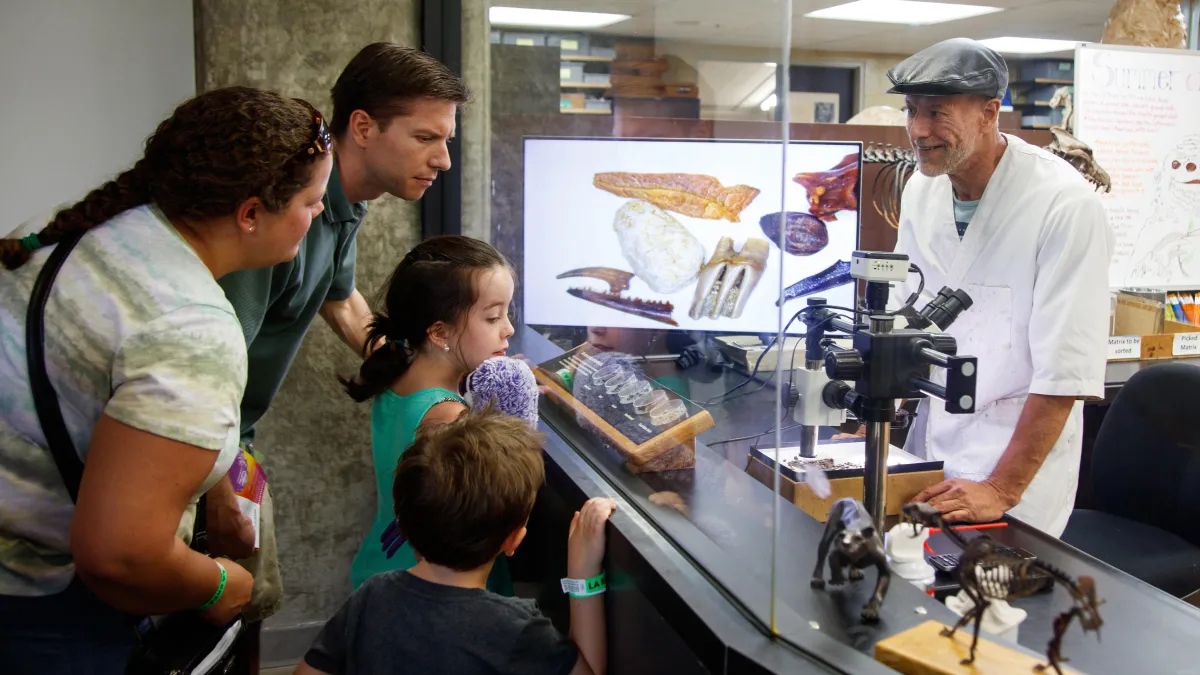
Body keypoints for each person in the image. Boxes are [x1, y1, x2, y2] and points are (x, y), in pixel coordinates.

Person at [0, 86, 334, 673]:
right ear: (251, 213)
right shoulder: (191, 327)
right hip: (42, 610)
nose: (319, 217)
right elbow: (120, 555)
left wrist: (216, 489)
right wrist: (217, 585)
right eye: (311, 201)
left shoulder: (88, 234)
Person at [212, 43, 469, 659]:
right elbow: (207, 366)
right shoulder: (286, 212)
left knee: (248, 607)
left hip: (233, 443)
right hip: (202, 447)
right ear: (362, 126)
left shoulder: (342, 208)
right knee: (217, 620)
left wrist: (429, 372)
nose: (445, 159)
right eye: (426, 137)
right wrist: (218, 488)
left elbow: (343, 301)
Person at [884, 38, 1114, 537]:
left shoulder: (1064, 205)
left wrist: (1002, 488)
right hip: (933, 441)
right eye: (911, 111)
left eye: (937, 113)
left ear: (989, 113)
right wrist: (875, 421)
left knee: (995, 601)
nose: (918, 131)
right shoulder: (922, 188)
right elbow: (906, 315)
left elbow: (1066, 370)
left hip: (1014, 462)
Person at [295, 409, 614, 675]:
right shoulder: (516, 629)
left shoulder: (371, 596)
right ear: (514, 540)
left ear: (403, 521)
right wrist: (583, 571)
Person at [340, 235, 516, 590]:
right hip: (438, 586)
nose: (508, 328)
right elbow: (502, 514)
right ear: (439, 332)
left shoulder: (396, 376)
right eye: (493, 317)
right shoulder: (449, 418)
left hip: (385, 567)